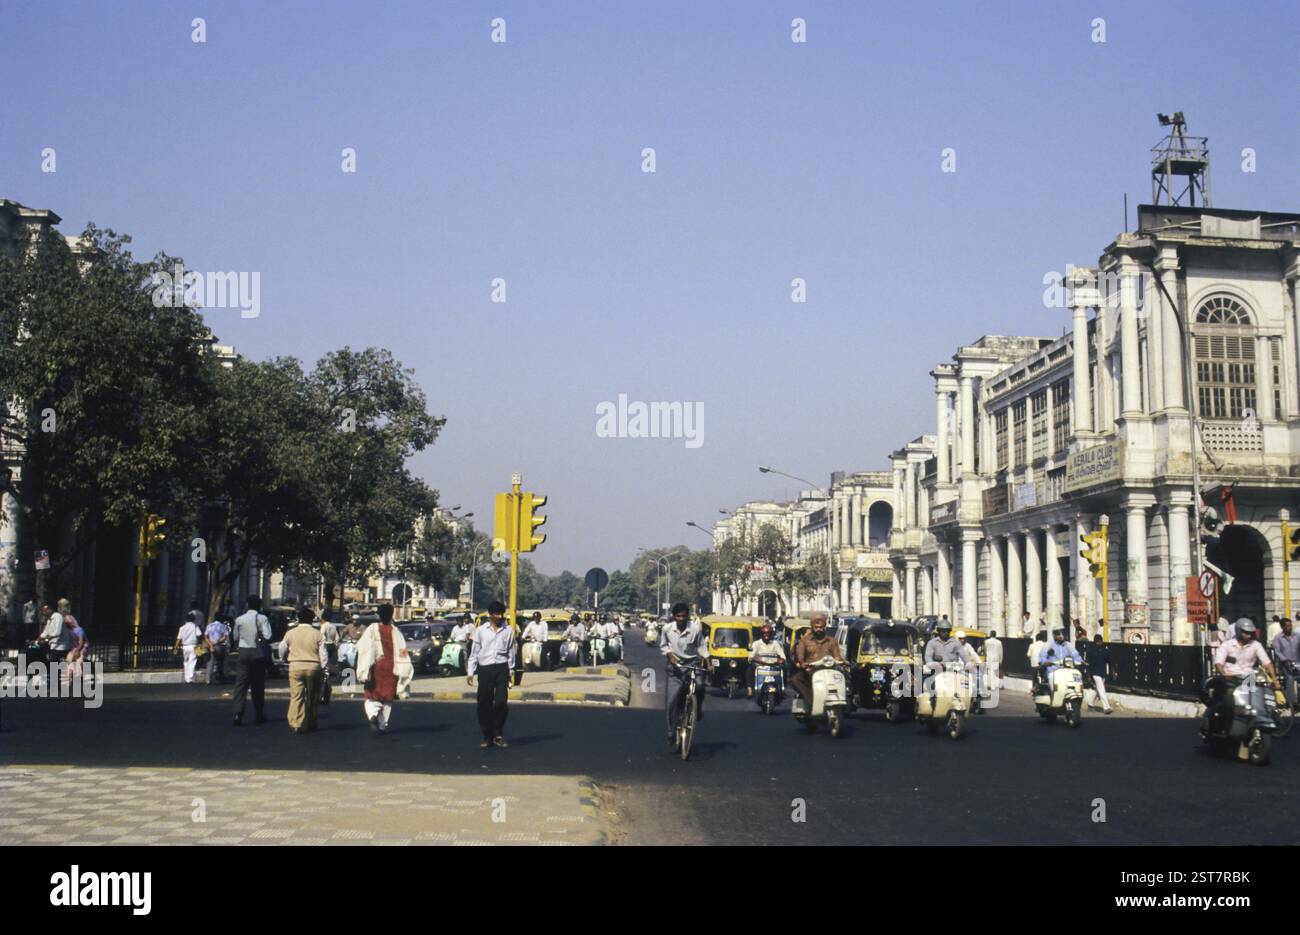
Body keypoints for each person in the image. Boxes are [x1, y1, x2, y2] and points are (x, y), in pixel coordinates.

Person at [1209, 619, 1279, 733]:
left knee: (1258, 697)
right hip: (1230, 678)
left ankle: (1256, 721)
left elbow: (1267, 663)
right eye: (1245, 632)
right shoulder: (1227, 645)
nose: (1248, 635)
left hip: (1249, 678)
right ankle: (1227, 726)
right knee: (1230, 698)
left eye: (1250, 633)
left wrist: (1275, 680)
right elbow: (1218, 663)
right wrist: (1224, 673)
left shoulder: (1256, 645)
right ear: (1238, 631)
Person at [356, 603, 413, 736]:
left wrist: (364, 668)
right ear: (392, 615)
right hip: (391, 668)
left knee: (372, 695)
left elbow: (363, 648)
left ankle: (373, 715)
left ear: (379, 615)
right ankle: (383, 725)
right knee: (388, 697)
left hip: (376, 667)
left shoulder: (372, 628)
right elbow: (403, 652)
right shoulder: (396, 631)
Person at [467, 600, 515, 749]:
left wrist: (511, 672)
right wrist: (470, 672)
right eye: (496, 614)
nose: (499, 617)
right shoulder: (481, 631)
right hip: (485, 669)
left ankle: (498, 734)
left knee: (501, 702)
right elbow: (474, 653)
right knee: (484, 703)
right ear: (490, 615)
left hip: (501, 669)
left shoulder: (508, 631)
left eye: (501, 614)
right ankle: (487, 735)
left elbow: (510, 653)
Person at [660, 602, 710, 745]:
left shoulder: (695, 629)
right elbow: (663, 646)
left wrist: (709, 663)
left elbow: (702, 647)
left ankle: (697, 709)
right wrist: (670, 656)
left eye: (684, 616)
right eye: (678, 616)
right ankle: (671, 731)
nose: (681, 619)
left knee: (700, 686)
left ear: (687, 616)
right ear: (674, 616)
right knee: (671, 701)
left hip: (692, 666)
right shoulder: (667, 629)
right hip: (675, 669)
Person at [279, 606, 328, 733]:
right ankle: (311, 722)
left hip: (295, 666)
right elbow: (323, 654)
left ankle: (296, 723)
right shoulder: (318, 634)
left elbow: (282, 648)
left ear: (298, 619)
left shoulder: (290, 633)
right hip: (313, 667)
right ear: (312, 620)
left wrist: (284, 659)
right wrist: (324, 669)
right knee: (313, 696)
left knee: (296, 696)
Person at [231, 595, 271, 726]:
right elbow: (268, 635)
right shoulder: (262, 618)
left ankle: (238, 713)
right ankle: (259, 713)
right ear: (259, 606)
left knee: (241, 684)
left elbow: (235, 637)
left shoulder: (239, 619)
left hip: (243, 650)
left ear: (247, 605)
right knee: (257, 684)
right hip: (257, 652)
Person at [791, 612, 844, 710]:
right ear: (812, 628)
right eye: (816, 627)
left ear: (825, 628)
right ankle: (811, 702)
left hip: (829, 670)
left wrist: (843, 662)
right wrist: (802, 663)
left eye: (821, 627)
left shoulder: (832, 641)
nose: (819, 629)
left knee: (846, 679)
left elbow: (837, 656)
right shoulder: (805, 641)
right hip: (810, 670)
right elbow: (800, 654)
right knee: (795, 679)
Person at [1039, 628, 1083, 698]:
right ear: (1054, 635)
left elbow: (1075, 655)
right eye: (1058, 634)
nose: (1061, 636)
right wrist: (1044, 662)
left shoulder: (1068, 645)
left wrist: (1081, 662)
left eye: (1062, 634)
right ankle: (1053, 698)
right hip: (1053, 671)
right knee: (1053, 683)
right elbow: (1042, 655)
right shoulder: (1049, 644)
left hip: (1067, 671)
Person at [747, 622, 786, 697]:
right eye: (764, 633)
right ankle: (750, 689)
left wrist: (782, 660)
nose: (766, 634)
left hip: (773, 666)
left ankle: (782, 688)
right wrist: (754, 659)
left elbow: (782, 655)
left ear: (771, 634)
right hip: (759, 665)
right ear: (761, 634)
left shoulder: (775, 643)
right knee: (749, 670)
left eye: (768, 633)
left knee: (784, 669)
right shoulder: (756, 643)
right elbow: (751, 656)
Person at [1271, 617, 1299, 705]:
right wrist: (1285, 660)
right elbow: (1277, 651)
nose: (1289, 627)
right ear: (1282, 627)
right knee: (1290, 680)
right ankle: (1292, 703)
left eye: (1290, 625)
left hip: (1298, 662)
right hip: (1285, 664)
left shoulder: (1297, 635)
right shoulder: (1278, 638)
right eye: (1287, 626)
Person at [1083, 634, 1113, 713]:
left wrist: (1112, 671)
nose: (1100, 642)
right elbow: (1088, 664)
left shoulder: (1103, 650)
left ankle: (1090, 704)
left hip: (1101, 673)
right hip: (1096, 673)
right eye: (1099, 640)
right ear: (1097, 641)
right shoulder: (1092, 651)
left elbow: (1109, 661)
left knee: (1097, 690)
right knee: (1101, 689)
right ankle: (1106, 707)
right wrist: (1089, 675)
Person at [174, 609, 204, 684]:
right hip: (194, 645)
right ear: (193, 619)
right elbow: (199, 635)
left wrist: (175, 648)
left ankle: (186, 677)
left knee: (186, 661)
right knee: (192, 661)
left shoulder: (182, 628)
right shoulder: (195, 626)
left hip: (185, 646)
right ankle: (190, 678)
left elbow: (179, 638)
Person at [204, 613, 231, 685]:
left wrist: (210, 644)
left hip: (210, 646)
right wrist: (217, 641)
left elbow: (206, 636)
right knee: (220, 662)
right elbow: (225, 637)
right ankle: (219, 677)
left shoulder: (209, 625)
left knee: (210, 663)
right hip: (219, 646)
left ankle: (208, 680)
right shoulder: (223, 626)